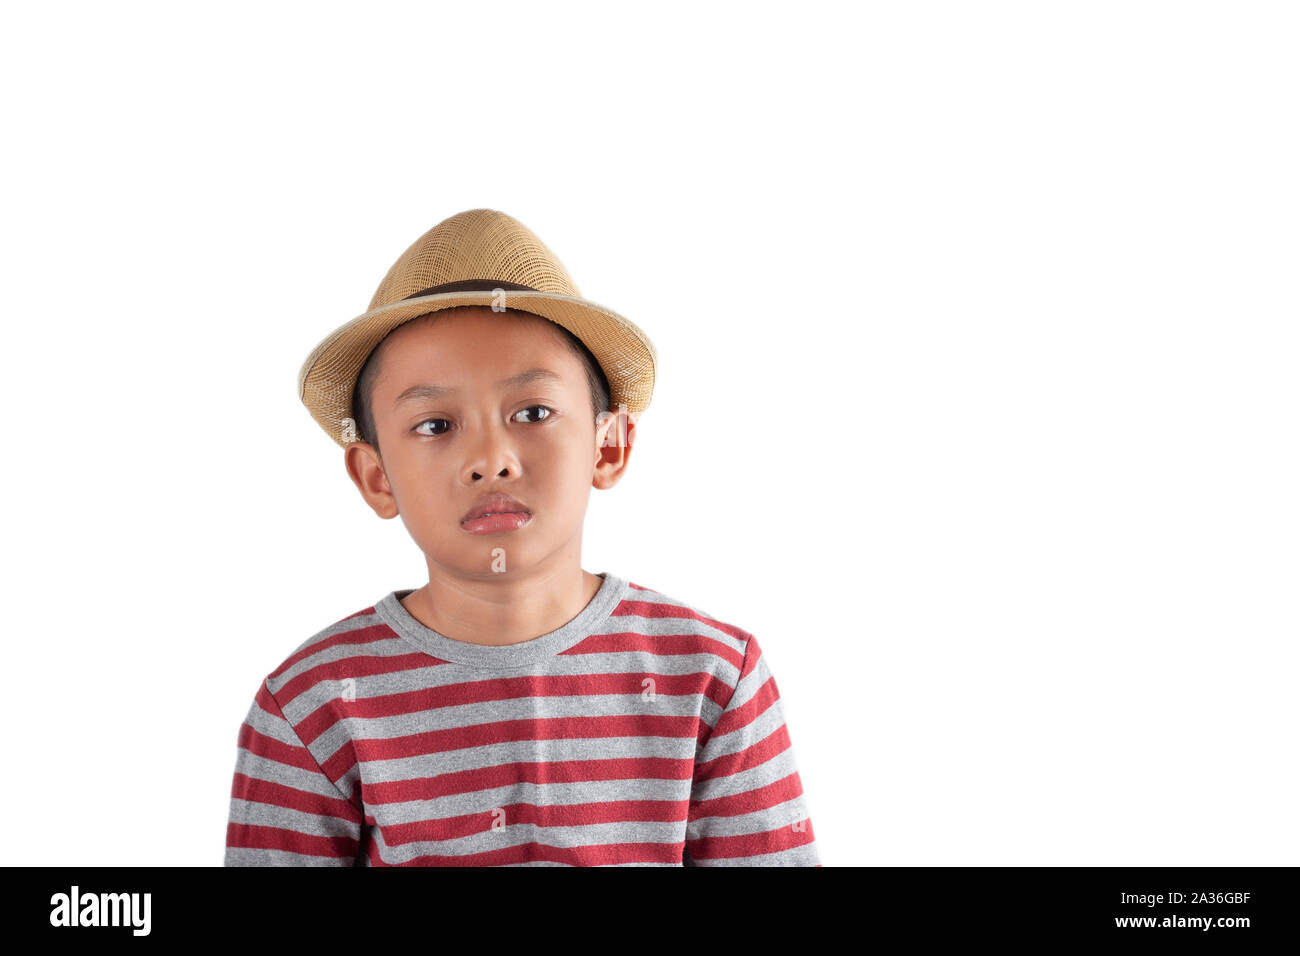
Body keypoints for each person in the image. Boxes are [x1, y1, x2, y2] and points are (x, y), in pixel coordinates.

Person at [223, 208, 820, 866]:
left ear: (609, 445)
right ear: (375, 477)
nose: (491, 459)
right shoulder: (312, 705)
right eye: (435, 425)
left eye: (533, 412)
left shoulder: (712, 679)